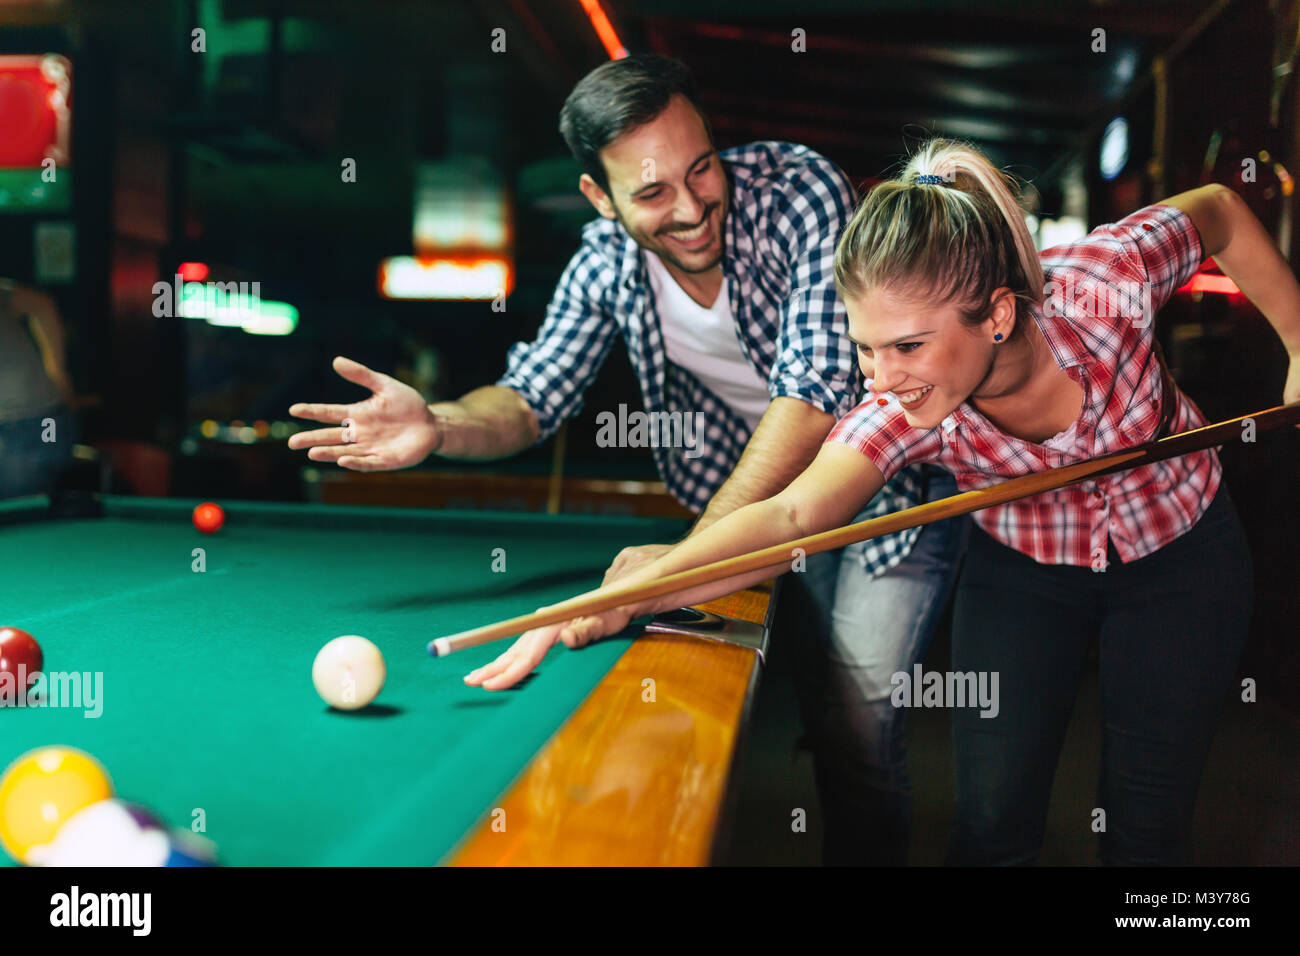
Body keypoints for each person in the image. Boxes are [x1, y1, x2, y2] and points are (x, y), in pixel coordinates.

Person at [466, 138, 1300, 866]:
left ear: (999, 316)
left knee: (1146, 838)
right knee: (990, 829)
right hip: (1022, 569)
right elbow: (792, 517)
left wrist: (1299, 338)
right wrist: (627, 599)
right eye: (866, 347)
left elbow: (1221, 210)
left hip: (1181, 557)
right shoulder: (897, 409)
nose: (880, 375)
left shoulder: (1106, 283)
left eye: (906, 346)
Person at [287, 55, 966, 865]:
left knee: (859, 725)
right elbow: (530, 398)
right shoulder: (605, 262)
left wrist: (676, 569)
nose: (692, 208)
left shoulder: (798, 191)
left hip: (889, 499)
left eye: (701, 168)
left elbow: (811, 399)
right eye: (651, 194)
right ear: (600, 201)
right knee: (824, 704)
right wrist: (438, 423)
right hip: (760, 510)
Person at [0, 278, 77, 499]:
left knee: (18, 522)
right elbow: (41, 305)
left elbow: (42, 304)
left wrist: (58, 373)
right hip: (48, 423)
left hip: (27, 429)